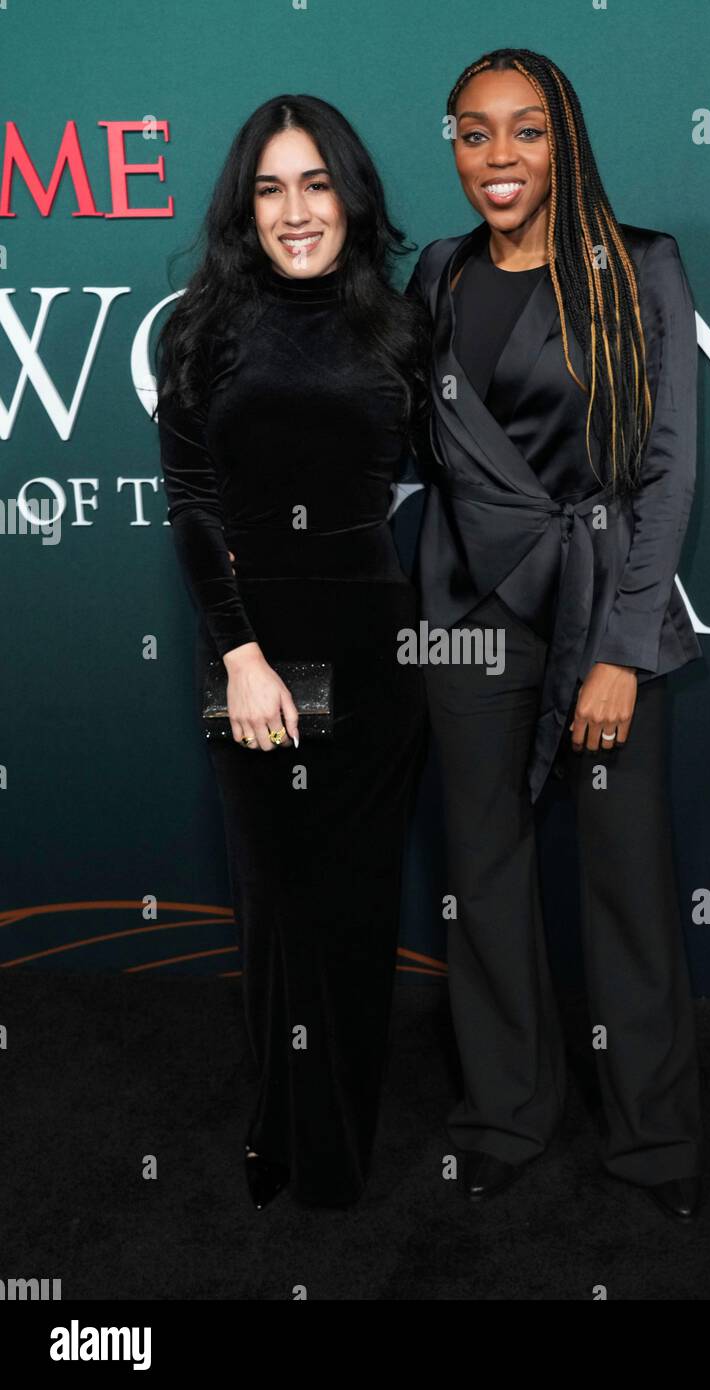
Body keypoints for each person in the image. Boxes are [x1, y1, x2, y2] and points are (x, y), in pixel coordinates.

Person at [406, 48, 704, 1220]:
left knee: (625, 882)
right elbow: (408, 445)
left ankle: (654, 1138)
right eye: (473, 134)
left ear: (562, 139)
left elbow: (669, 465)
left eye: (523, 131)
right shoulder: (434, 271)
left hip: (598, 605)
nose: (497, 158)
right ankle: (503, 1113)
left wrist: (622, 648)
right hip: (464, 611)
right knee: (481, 876)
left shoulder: (638, 267)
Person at [154, 94, 427, 1211]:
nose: (295, 210)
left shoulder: (403, 326)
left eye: (315, 183)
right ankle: (280, 1131)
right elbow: (191, 499)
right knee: (276, 907)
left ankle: (335, 1151)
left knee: (356, 914)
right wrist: (242, 655)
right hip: (258, 657)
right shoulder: (201, 329)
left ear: (350, 197)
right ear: (242, 206)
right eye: (270, 188)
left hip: (376, 652)